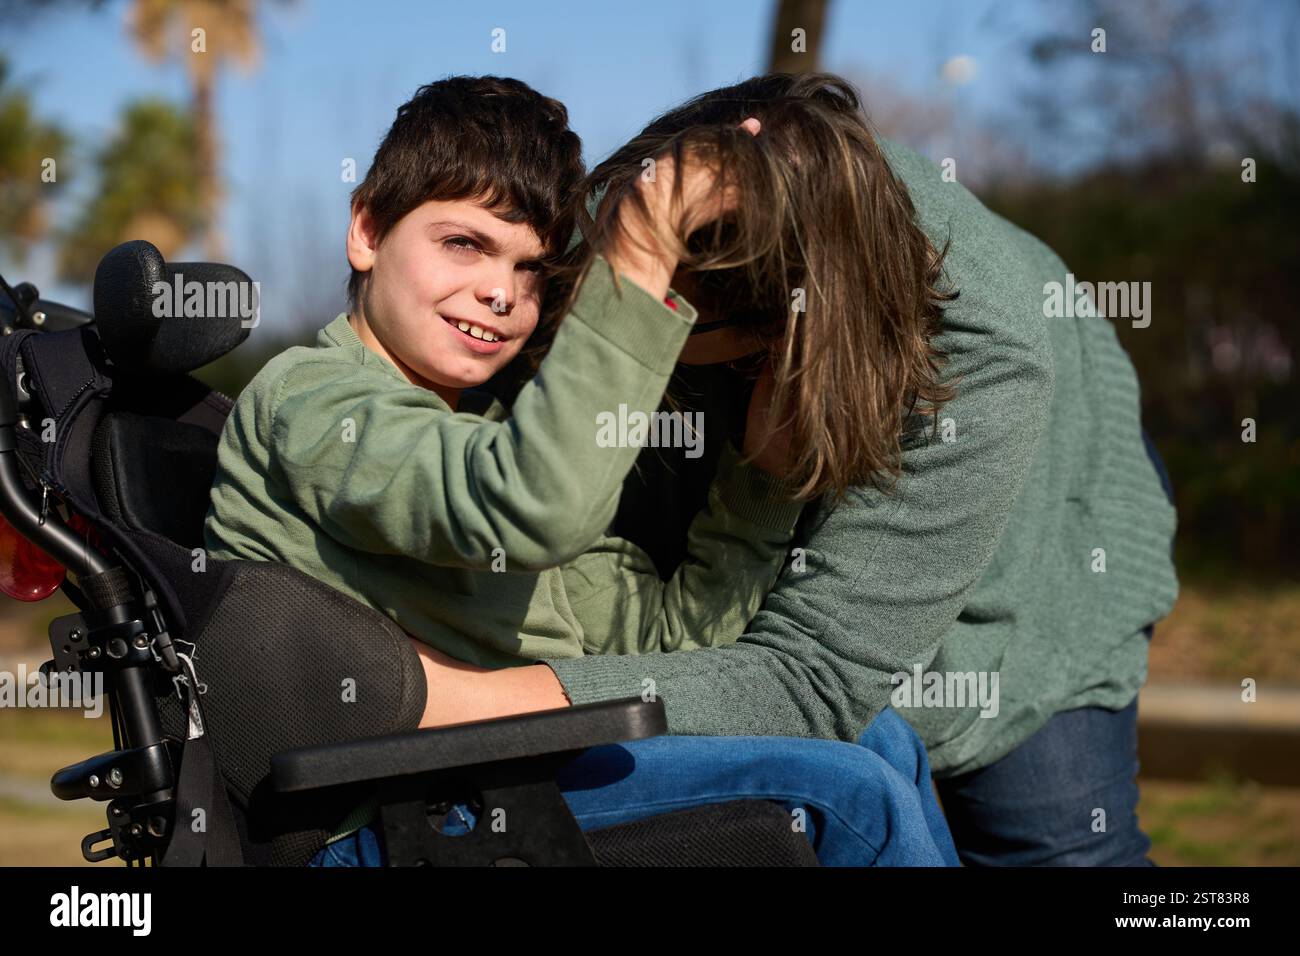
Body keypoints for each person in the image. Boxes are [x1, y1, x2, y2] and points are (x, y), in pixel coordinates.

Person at [414, 73, 1181, 867]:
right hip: (762, 532)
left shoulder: (983, 364)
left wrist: (465, 701)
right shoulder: (656, 208)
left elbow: (810, 684)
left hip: (1038, 541)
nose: (595, 306)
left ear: (768, 342)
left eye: (644, 304)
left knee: (1053, 844)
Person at [203, 75, 958, 866]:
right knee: (849, 796)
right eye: (465, 243)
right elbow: (526, 505)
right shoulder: (313, 399)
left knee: (878, 734)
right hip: (381, 814)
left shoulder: (486, 435)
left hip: (498, 777)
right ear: (366, 231)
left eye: (534, 269)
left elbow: (670, 645)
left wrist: (760, 479)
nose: (501, 291)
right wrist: (641, 250)